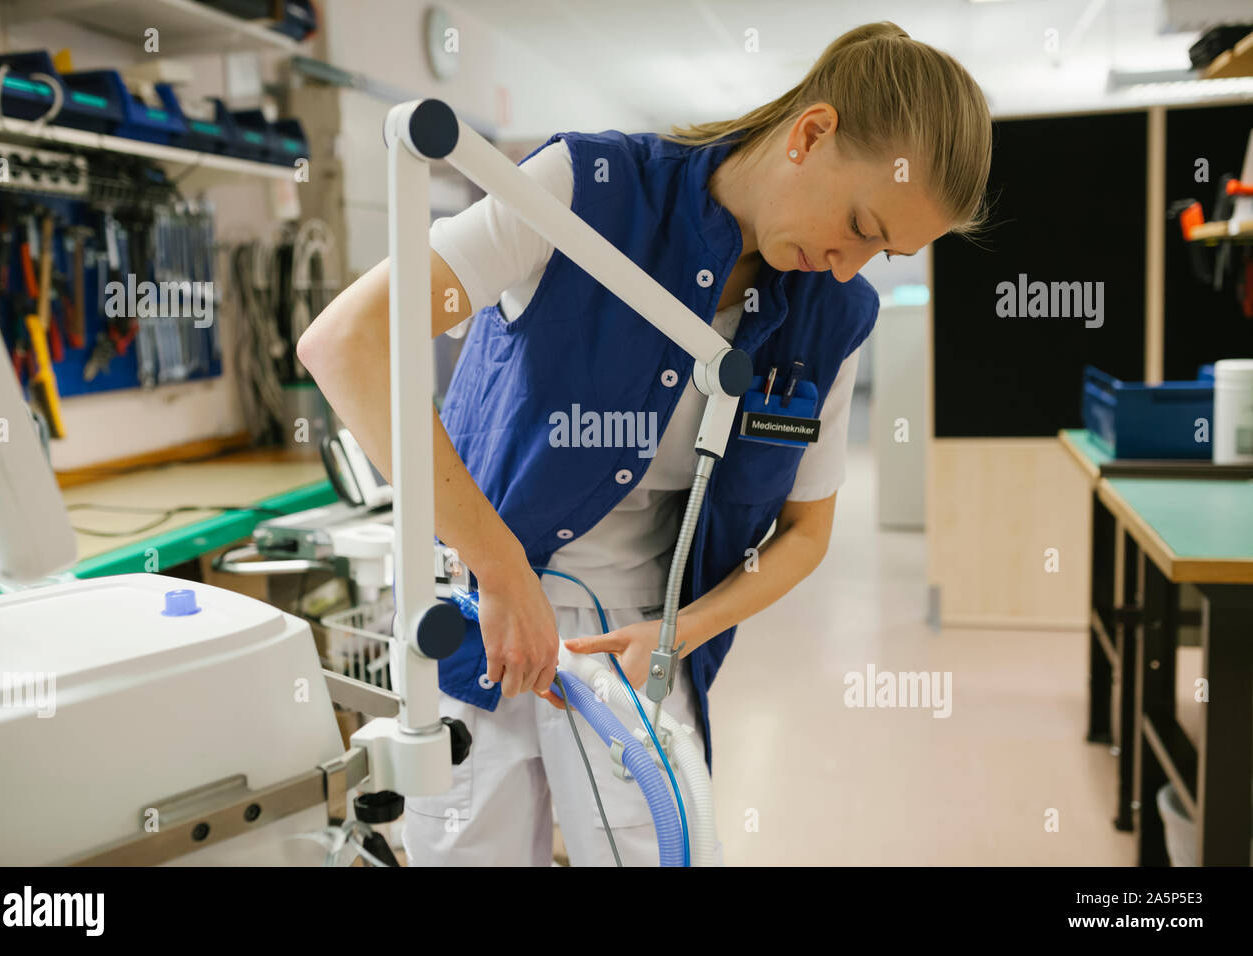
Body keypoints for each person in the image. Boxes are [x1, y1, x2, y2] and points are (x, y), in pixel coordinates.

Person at [297, 20, 992, 866]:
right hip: (480, 605)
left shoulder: (832, 316)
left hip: (639, 643)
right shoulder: (588, 189)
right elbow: (347, 345)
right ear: (811, 133)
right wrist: (498, 566)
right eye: (861, 224)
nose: (850, 265)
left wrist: (685, 632)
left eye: (884, 252)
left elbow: (808, 534)